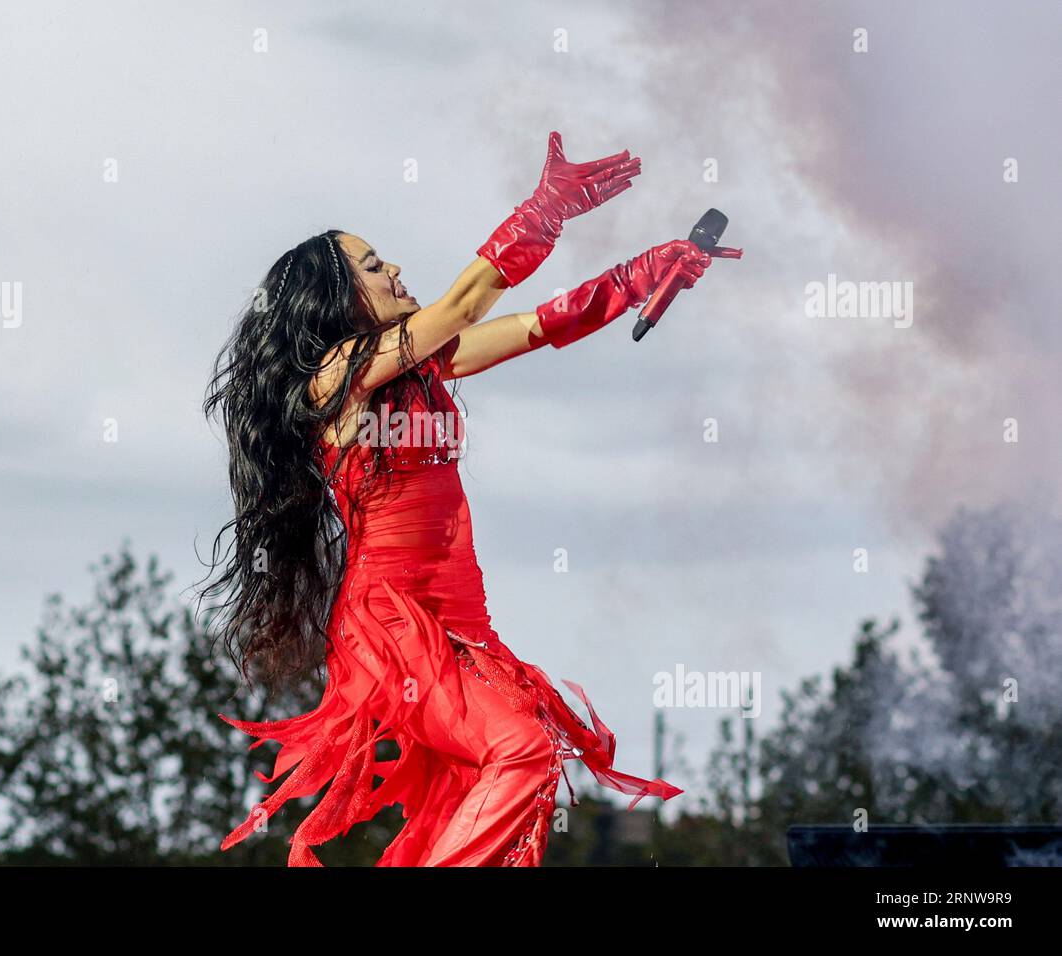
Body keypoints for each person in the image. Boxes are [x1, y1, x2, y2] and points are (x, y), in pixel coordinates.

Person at [202, 132, 712, 866]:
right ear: (335, 297)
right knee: (524, 750)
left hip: (459, 616)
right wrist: (545, 210)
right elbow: (467, 300)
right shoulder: (338, 373)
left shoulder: (420, 367)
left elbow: (540, 326)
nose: (396, 267)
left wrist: (645, 271)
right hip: (393, 620)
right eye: (374, 265)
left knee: (523, 765)